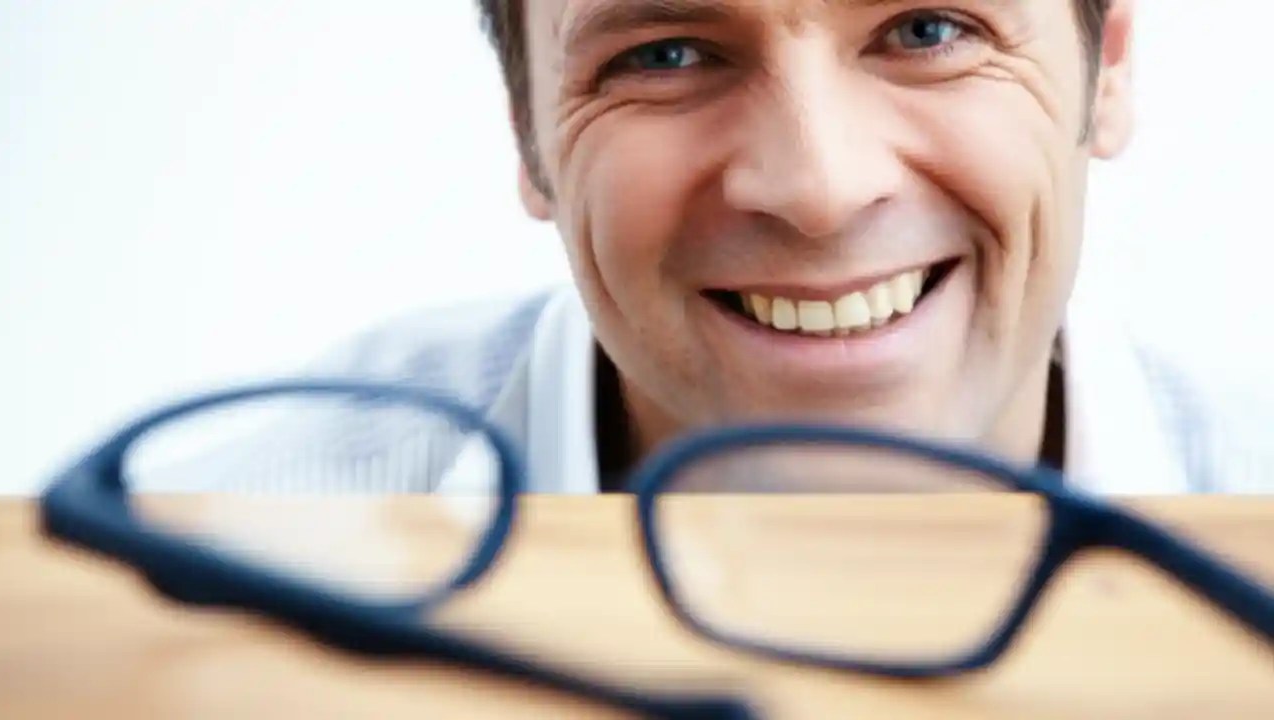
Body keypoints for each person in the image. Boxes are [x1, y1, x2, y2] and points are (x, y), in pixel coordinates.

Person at [290, 0, 1268, 496]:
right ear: (528, 134)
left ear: (1106, 71)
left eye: (927, 29)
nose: (819, 190)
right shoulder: (234, 533)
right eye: (663, 55)